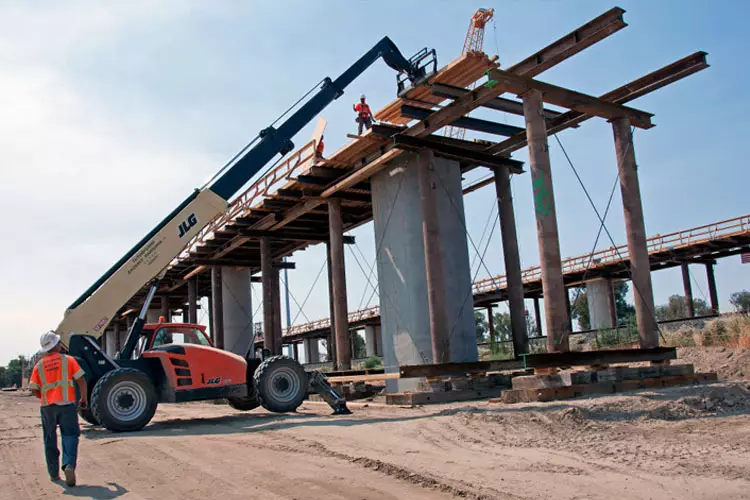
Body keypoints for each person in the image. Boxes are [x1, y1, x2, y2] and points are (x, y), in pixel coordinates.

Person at [28, 332, 87, 487]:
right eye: (59, 342)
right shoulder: (68, 360)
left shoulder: (38, 366)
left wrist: (45, 396)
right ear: (55, 345)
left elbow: (34, 389)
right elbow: (81, 379)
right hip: (67, 405)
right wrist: (83, 398)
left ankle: (54, 473)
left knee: (49, 438)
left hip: (47, 407)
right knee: (70, 435)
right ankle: (68, 464)